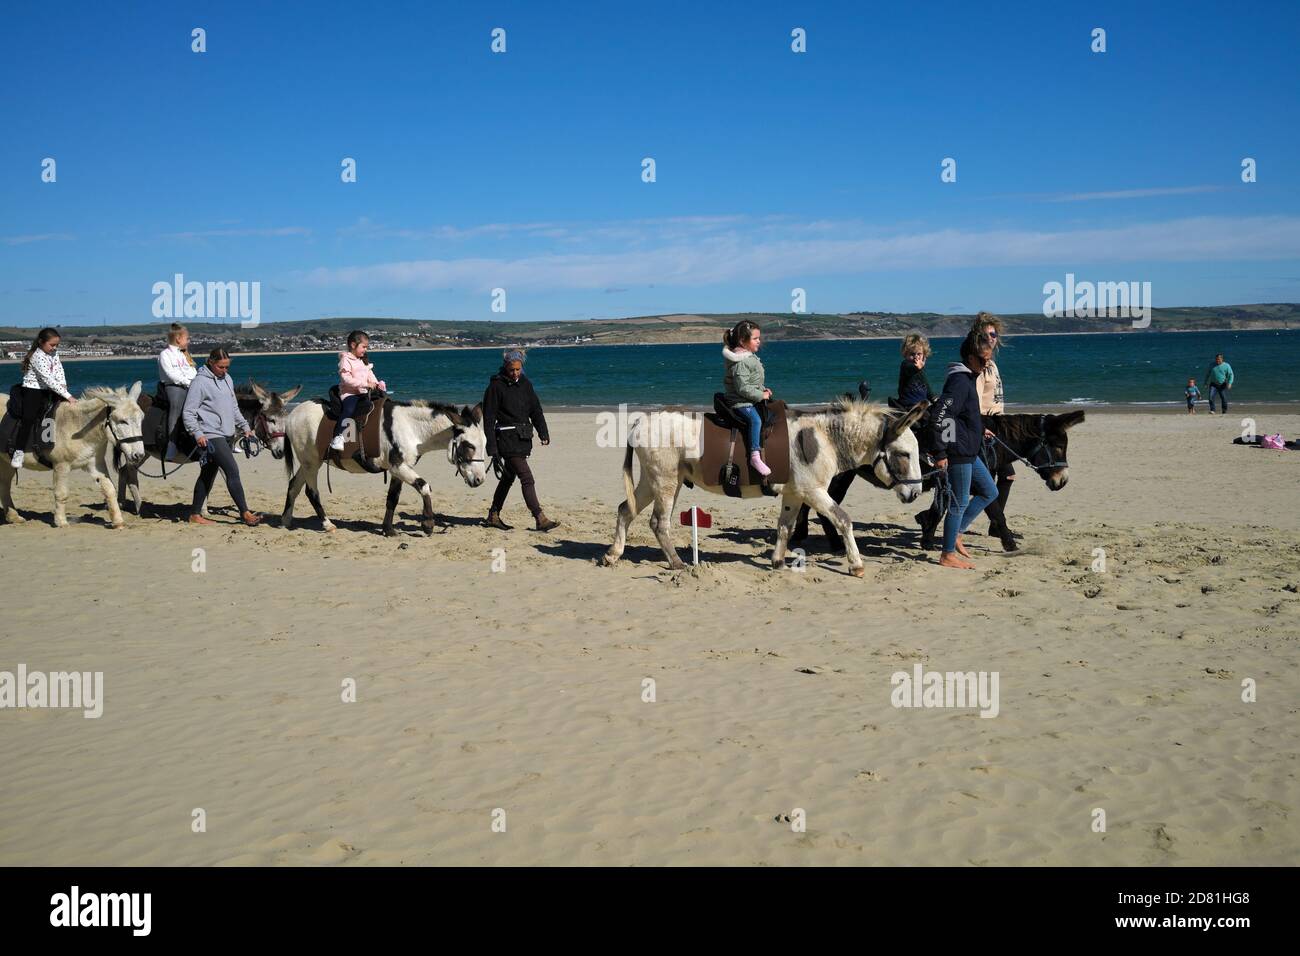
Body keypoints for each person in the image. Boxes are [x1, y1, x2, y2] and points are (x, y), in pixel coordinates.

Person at [930, 332, 999, 569]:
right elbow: (941, 416)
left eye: (988, 359)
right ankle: (947, 554)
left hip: (970, 450)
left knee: (990, 491)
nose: (986, 363)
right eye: (982, 359)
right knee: (958, 502)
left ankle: (957, 533)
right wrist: (942, 452)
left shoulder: (969, 377)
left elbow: (962, 414)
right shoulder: (959, 381)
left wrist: (979, 429)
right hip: (958, 452)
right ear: (970, 357)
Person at [181, 348, 261, 526]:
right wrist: (198, 433)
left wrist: (245, 426)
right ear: (210, 362)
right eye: (221, 367)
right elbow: (188, 412)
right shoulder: (200, 383)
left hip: (227, 432)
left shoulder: (227, 379)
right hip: (210, 434)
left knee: (208, 473)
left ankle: (194, 514)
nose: (224, 371)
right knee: (232, 470)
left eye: (227, 367)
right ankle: (245, 513)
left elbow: (233, 407)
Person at [482, 349, 559, 532]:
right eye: (511, 370)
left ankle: (493, 515)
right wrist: (492, 447)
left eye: (518, 369)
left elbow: (536, 410)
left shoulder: (526, 384)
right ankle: (539, 517)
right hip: (506, 440)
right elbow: (489, 418)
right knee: (526, 477)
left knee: (508, 478)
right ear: (505, 367)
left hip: (523, 439)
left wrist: (543, 432)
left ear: (521, 367)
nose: (515, 373)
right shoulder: (495, 387)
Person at [8, 327, 76, 468]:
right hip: (33, 390)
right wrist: (68, 396)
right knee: (28, 418)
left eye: (56, 345)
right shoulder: (37, 357)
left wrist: (63, 385)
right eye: (52, 345)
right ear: (41, 342)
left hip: (48, 390)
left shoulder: (54, 353)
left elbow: (58, 369)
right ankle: (18, 451)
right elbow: (48, 379)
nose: (54, 348)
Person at [972, 312, 1014, 529]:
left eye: (995, 334)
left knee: (1007, 477)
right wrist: (982, 428)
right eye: (988, 334)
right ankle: (999, 526)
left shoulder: (992, 365)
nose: (992, 338)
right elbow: (974, 402)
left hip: (999, 425)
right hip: (985, 427)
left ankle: (996, 525)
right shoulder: (979, 368)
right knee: (987, 483)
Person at [721, 319, 773, 477]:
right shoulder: (741, 362)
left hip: (748, 397)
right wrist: (760, 395)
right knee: (755, 420)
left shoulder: (747, 357)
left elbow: (752, 381)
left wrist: (763, 390)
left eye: (759, 338)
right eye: (755, 338)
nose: (759, 341)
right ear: (743, 341)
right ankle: (755, 455)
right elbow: (742, 387)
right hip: (740, 402)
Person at [329, 331, 387, 468]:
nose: (365, 350)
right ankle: (338, 437)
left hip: (363, 392)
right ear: (353, 345)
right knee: (349, 409)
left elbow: (370, 375)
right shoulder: (346, 360)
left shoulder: (362, 361)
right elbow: (346, 380)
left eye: (367, 347)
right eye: (364, 347)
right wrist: (365, 385)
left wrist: (377, 384)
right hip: (349, 393)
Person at [157, 322, 197, 459]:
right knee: (177, 406)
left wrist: (195, 383)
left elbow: (192, 371)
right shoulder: (165, 354)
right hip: (173, 387)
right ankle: (172, 444)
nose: (189, 341)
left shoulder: (184, 355)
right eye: (188, 338)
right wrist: (187, 382)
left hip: (189, 385)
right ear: (179, 339)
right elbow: (171, 374)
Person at [898, 333, 936, 407]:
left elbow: (925, 385)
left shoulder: (920, 369)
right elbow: (910, 368)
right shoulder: (905, 364)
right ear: (905, 354)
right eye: (912, 354)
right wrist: (917, 368)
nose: (916, 357)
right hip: (907, 404)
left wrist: (933, 398)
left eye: (919, 354)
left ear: (924, 355)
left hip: (921, 404)